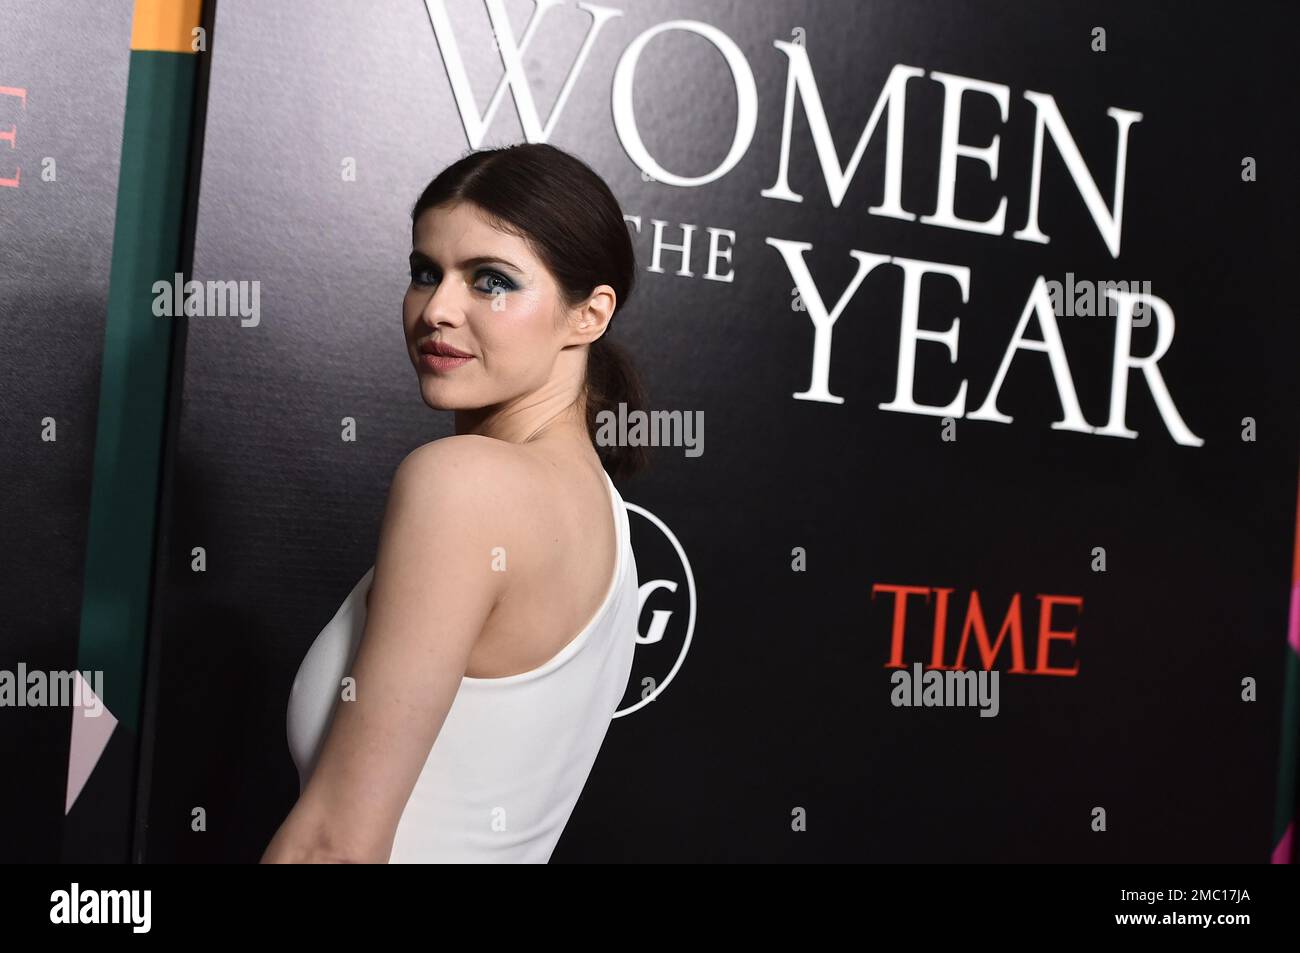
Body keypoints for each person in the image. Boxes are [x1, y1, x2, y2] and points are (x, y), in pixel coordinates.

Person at [261, 143, 648, 863]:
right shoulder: (605, 516)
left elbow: (333, 847)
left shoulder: (463, 483)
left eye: (491, 280)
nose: (437, 308)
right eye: (424, 272)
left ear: (588, 315)